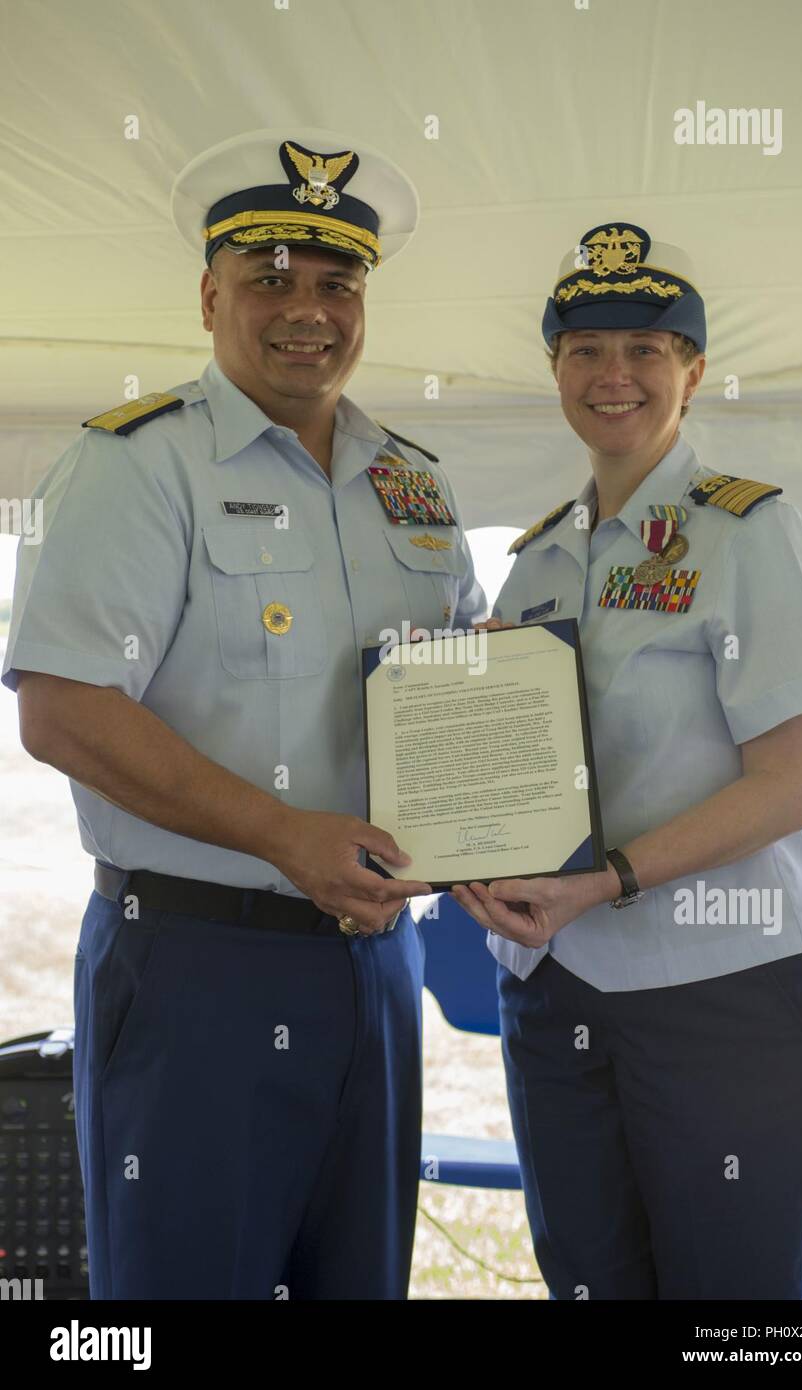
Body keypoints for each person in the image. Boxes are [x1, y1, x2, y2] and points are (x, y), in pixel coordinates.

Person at [2, 127, 485, 1300]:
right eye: (270, 278)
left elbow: (471, 682)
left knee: (358, 1283)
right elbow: (63, 709)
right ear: (210, 293)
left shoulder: (410, 481)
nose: (304, 309)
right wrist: (284, 837)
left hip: (376, 965)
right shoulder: (135, 466)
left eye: (335, 282)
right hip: (195, 968)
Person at [452, 221, 802, 1300]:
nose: (612, 374)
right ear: (556, 371)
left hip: (723, 994)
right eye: (585, 349)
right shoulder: (533, 563)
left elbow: (795, 783)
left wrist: (606, 878)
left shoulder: (745, 533)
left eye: (644, 348)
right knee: (588, 1280)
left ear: (693, 371)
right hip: (555, 987)